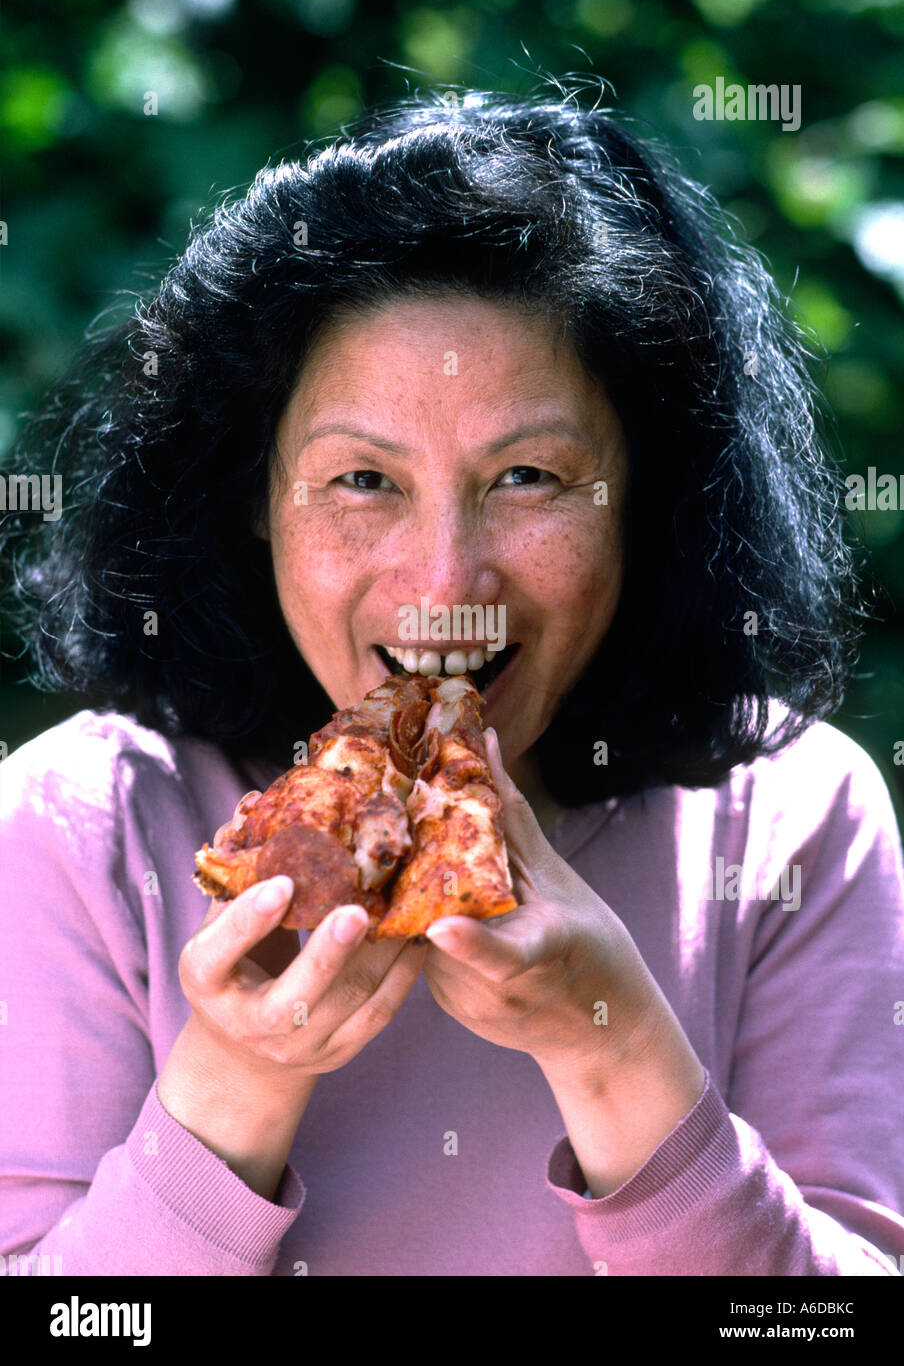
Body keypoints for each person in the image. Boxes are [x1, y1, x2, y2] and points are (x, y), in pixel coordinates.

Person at [1, 88, 902, 1278]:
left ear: (648, 504)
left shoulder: (792, 817)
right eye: (362, 480)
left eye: (527, 474)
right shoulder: (80, 826)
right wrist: (233, 1084)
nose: (443, 580)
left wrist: (615, 1047)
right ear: (252, 508)